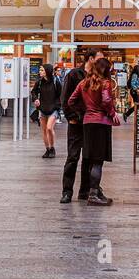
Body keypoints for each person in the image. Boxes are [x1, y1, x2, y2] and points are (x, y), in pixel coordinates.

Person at [67, 55, 118, 206]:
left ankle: (94, 192)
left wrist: (84, 112)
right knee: (98, 161)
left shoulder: (84, 83)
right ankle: (94, 193)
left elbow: (71, 101)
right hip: (101, 123)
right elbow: (106, 100)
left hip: (87, 123)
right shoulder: (105, 83)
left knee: (90, 159)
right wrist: (112, 113)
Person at [59, 48, 94, 203]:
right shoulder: (74, 74)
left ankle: (84, 191)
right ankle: (67, 191)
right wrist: (71, 117)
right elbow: (65, 97)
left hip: (91, 123)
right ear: (91, 59)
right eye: (99, 57)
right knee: (73, 157)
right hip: (76, 123)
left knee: (88, 157)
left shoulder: (97, 76)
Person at [32, 62, 60, 157]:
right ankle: (47, 149)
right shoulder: (39, 82)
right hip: (42, 109)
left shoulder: (56, 82)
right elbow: (33, 92)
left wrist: (57, 106)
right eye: (40, 70)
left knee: (49, 128)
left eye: (42, 70)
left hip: (53, 110)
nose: (40, 72)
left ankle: (52, 148)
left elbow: (61, 96)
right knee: (44, 130)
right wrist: (35, 99)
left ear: (47, 71)